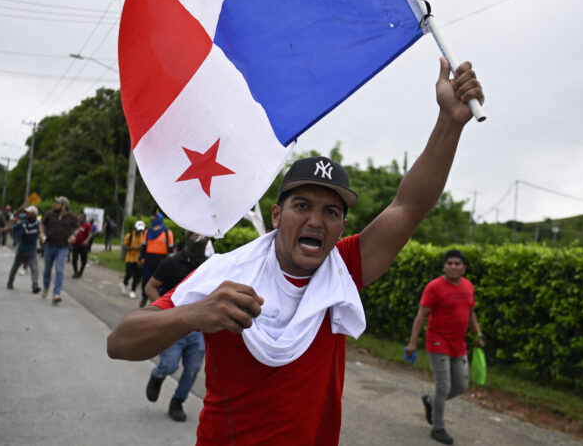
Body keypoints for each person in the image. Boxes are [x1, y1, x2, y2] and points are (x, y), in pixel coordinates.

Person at [107, 59, 484, 445]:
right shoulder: (226, 273)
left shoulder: (344, 268)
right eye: (302, 206)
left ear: (342, 228)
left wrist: (450, 122)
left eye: (331, 212)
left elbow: (408, 206)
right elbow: (120, 342)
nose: (316, 221)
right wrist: (195, 313)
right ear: (276, 215)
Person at [406, 249, 485, 444]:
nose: (453, 266)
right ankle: (438, 427)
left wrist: (478, 334)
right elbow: (421, 315)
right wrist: (412, 342)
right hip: (437, 341)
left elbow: (470, 313)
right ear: (444, 266)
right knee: (443, 387)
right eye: (449, 263)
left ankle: (430, 400)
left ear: (464, 268)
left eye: (457, 263)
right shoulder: (434, 287)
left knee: (460, 386)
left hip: (458, 344)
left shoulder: (468, 287)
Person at [144, 233, 210, 422]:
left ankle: (178, 402)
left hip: (198, 329)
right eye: (196, 235)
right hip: (173, 326)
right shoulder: (171, 263)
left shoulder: (208, 267)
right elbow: (150, 287)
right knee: (170, 364)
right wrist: (164, 311)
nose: (200, 238)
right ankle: (158, 375)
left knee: (192, 369)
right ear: (188, 237)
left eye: (204, 236)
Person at [40, 195, 79, 303]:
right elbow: (42, 223)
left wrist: (74, 235)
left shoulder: (71, 216)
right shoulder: (50, 213)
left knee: (59, 270)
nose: (55, 205)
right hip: (49, 245)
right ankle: (46, 287)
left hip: (63, 247)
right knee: (47, 269)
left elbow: (78, 227)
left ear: (63, 205)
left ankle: (56, 293)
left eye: (57, 203)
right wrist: (42, 232)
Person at [140, 211, 174, 306]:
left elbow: (170, 250)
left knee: (159, 283)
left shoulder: (168, 233)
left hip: (161, 261)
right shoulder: (147, 232)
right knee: (145, 280)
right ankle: (144, 297)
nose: (152, 220)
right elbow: (143, 247)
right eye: (152, 219)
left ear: (159, 219)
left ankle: (156, 302)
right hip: (148, 260)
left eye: (154, 218)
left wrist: (171, 263)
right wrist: (140, 258)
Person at [5, 206, 42, 294]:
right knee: (15, 267)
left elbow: (41, 234)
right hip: (22, 249)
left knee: (34, 268)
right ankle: (10, 282)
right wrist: (21, 209)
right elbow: (14, 219)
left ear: (34, 214)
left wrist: (42, 246)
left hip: (32, 250)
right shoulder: (23, 222)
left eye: (29, 213)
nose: (27, 214)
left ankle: (35, 286)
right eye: (27, 213)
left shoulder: (38, 224)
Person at [121, 220, 146, 299]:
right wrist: (135, 248)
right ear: (135, 228)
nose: (139, 231)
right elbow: (125, 246)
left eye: (141, 230)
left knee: (137, 276)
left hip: (139, 260)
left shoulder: (144, 236)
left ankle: (133, 290)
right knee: (128, 274)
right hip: (130, 258)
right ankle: (125, 284)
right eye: (138, 229)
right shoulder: (130, 235)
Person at [71, 213, 95, 278]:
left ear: (83, 218)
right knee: (74, 259)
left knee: (83, 260)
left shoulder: (87, 225)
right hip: (75, 244)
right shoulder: (76, 225)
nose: (78, 219)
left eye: (80, 218)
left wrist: (87, 240)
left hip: (83, 245)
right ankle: (75, 272)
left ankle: (80, 272)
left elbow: (90, 234)